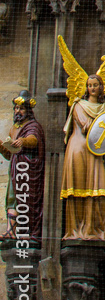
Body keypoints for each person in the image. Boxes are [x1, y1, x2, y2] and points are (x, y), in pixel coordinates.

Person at [61, 65, 105, 241]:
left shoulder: (103, 107)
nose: (93, 88)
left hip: (94, 150)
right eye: (90, 85)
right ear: (86, 88)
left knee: (97, 187)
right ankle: (76, 230)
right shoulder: (79, 105)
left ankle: (94, 229)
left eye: (96, 85)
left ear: (101, 87)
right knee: (78, 187)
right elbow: (87, 127)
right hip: (79, 148)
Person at [0, 93, 45, 242]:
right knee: (12, 199)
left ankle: (27, 232)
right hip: (15, 169)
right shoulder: (14, 128)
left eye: (21, 109)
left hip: (27, 170)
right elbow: (9, 154)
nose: (18, 112)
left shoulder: (32, 126)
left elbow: (33, 140)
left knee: (24, 201)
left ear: (28, 111)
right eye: (16, 108)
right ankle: (10, 231)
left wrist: (23, 141)